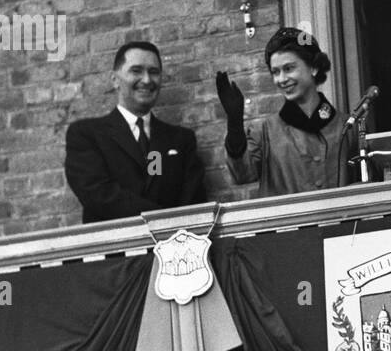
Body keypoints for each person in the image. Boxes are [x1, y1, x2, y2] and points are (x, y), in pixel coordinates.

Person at [64, 41, 207, 223]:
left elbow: (193, 201)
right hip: (115, 247)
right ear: (115, 80)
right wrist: (163, 220)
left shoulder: (180, 140)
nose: (147, 80)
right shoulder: (87, 135)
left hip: (173, 247)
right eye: (136, 71)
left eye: (154, 72)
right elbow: (98, 194)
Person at [216, 27, 351, 197]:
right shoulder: (265, 133)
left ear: (314, 68)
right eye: (275, 72)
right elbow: (242, 174)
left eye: (289, 68)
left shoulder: (348, 128)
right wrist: (234, 122)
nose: (281, 79)